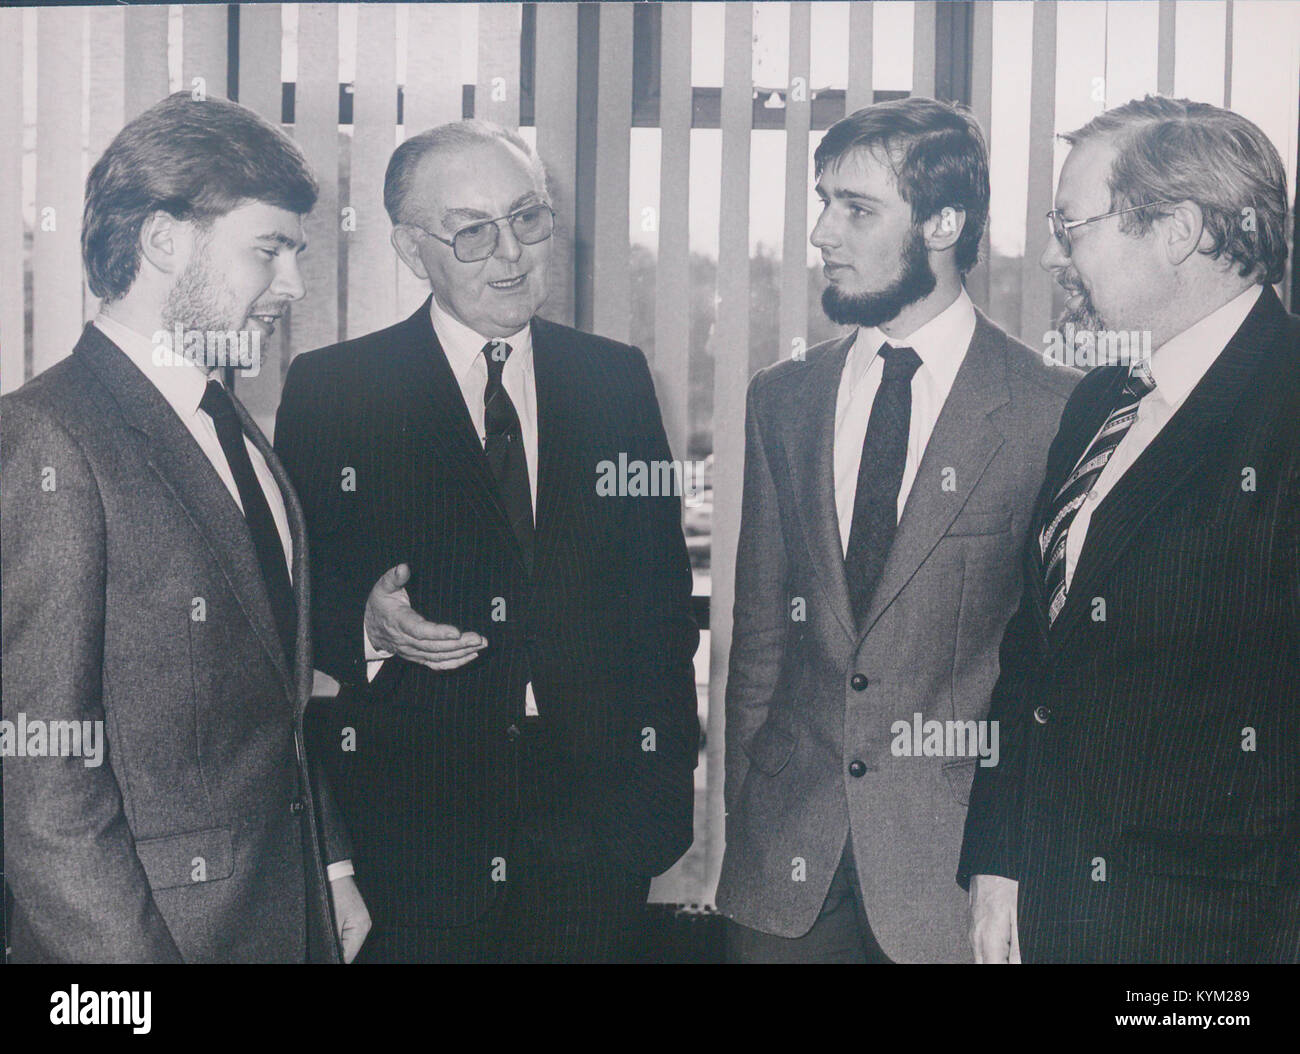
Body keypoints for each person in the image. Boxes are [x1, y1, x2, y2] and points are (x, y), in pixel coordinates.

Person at [273, 119, 699, 963]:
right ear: (408, 247)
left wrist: (660, 787)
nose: (510, 253)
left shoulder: (616, 378)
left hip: (596, 836)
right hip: (415, 834)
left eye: (527, 218)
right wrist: (366, 624)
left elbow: (661, 598)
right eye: (472, 231)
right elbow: (285, 604)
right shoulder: (334, 391)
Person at [2, 92, 368, 962]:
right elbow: (39, 776)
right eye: (268, 250)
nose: (296, 286)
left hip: (284, 916)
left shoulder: (233, 426)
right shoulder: (49, 435)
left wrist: (334, 865)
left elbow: (267, 696)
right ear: (164, 240)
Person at [715, 97, 1081, 962]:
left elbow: (1058, 680)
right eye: (822, 202)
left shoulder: (1053, 411)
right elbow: (762, 638)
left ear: (943, 222)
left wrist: (1025, 864)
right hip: (783, 879)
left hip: (956, 887)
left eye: (856, 209)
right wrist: (748, 821)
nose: (821, 234)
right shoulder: (783, 398)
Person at [960, 95, 1300, 964]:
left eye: (1071, 224)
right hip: (1060, 912)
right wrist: (1001, 860)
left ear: (1178, 229)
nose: (1047, 254)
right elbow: (1037, 647)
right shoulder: (1099, 404)